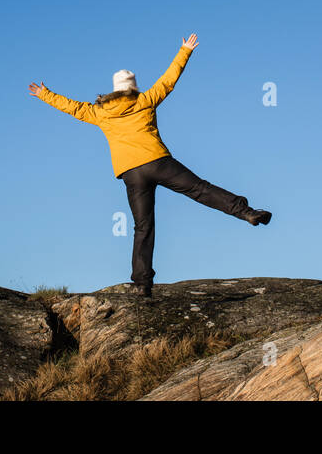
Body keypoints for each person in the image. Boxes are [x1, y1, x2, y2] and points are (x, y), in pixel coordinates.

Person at [28, 34, 271, 298]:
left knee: (143, 226)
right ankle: (246, 212)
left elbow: (73, 108)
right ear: (133, 87)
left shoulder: (100, 112)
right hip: (158, 161)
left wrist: (45, 94)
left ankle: (142, 284)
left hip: (132, 173)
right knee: (200, 189)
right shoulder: (145, 100)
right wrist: (185, 50)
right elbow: (169, 81)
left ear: (113, 89)